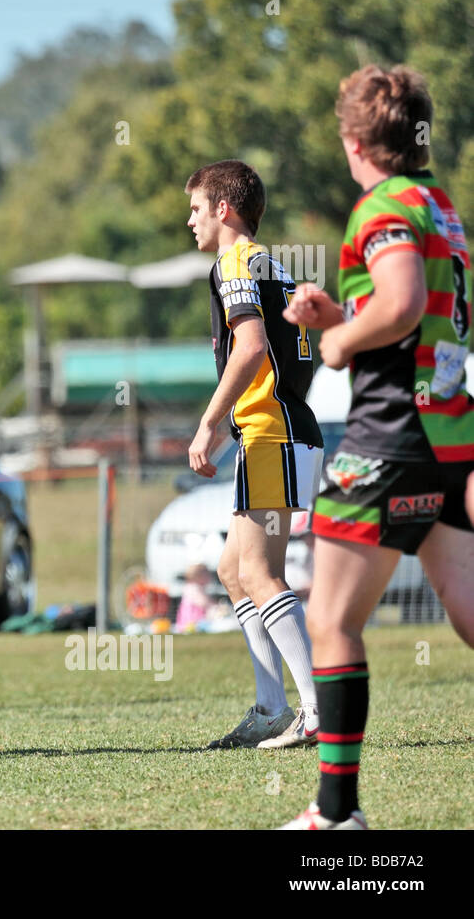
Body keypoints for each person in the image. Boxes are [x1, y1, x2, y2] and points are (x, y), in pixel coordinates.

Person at [280, 65, 474, 829]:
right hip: (448, 434)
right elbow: (411, 314)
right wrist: (338, 318)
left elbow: (397, 306)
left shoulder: (384, 205)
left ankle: (335, 813)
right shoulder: (438, 203)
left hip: (390, 436)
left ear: (355, 141)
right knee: (466, 613)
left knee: (331, 621)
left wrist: (335, 344)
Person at [185, 160, 324, 750]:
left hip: (273, 433)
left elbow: (251, 347)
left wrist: (208, 424)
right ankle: (271, 708)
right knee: (232, 572)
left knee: (262, 575)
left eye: (195, 208)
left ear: (224, 209)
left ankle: (318, 711)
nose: (188, 221)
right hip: (279, 431)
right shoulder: (272, 263)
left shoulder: (236, 260)